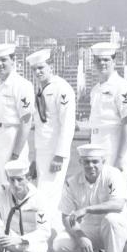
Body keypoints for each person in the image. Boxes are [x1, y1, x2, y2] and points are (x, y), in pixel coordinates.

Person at [52, 144, 127, 252]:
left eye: (95, 161)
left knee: (111, 219)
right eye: (86, 161)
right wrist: (80, 236)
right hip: (90, 230)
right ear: (80, 162)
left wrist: (87, 209)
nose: (91, 165)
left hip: (116, 230)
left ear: (103, 161)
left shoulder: (114, 174)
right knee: (59, 244)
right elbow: (65, 215)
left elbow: (118, 205)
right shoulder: (72, 182)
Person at [0, 160, 56, 252]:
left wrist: (20, 240)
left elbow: (44, 231)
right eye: (12, 180)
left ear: (28, 178)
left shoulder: (39, 198)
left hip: (30, 240)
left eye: (20, 179)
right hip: (9, 236)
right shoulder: (3, 191)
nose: (15, 184)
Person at [26, 48, 76, 211]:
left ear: (51, 67)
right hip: (43, 151)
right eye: (34, 69)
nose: (38, 72)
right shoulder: (42, 89)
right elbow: (42, 126)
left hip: (55, 152)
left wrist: (60, 155)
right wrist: (36, 157)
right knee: (47, 194)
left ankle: (48, 234)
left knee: (47, 197)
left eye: (41, 68)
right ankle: (53, 231)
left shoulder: (62, 88)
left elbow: (67, 124)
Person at [0, 42, 34, 187]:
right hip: (0, 141)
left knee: (16, 187)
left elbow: (26, 122)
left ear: (13, 60)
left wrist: (15, 154)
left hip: (14, 139)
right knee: (1, 188)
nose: (0, 64)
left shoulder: (22, 85)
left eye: (4, 60)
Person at [88, 42, 127, 173]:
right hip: (95, 145)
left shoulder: (122, 87)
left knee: (116, 189)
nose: (102, 63)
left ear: (114, 61)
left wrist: (120, 157)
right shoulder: (95, 90)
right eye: (98, 60)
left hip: (113, 146)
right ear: (94, 62)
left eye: (106, 60)